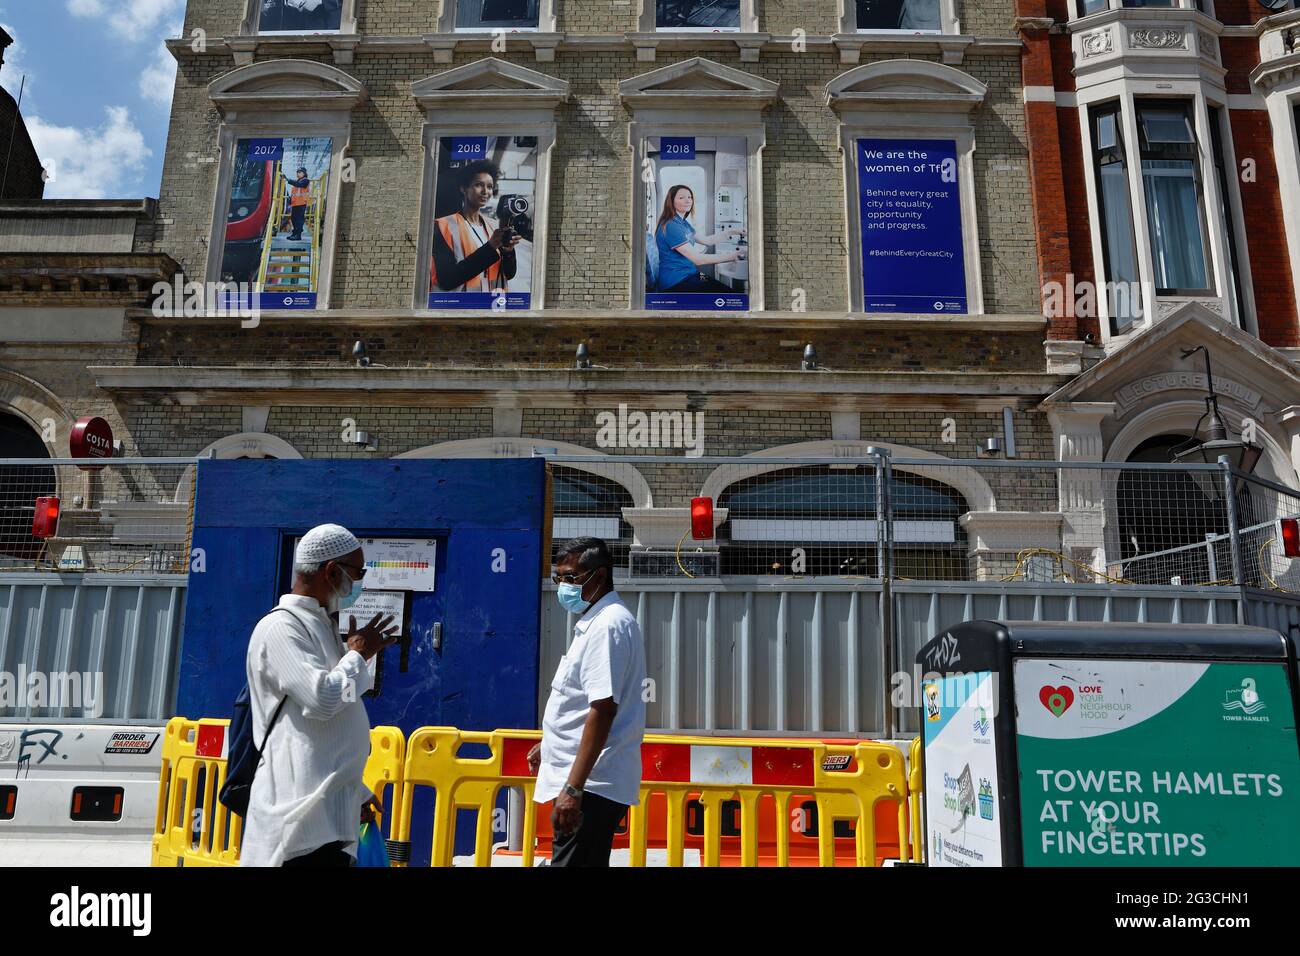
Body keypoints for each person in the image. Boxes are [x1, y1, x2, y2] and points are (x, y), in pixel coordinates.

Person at [240, 523, 398, 867]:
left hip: (327, 822)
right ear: (331, 571)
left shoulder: (322, 625)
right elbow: (322, 698)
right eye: (358, 571)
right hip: (297, 830)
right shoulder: (281, 628)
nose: (359, 581)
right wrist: (357, 655)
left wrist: (353, 792)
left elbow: (321, 734)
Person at [527, 537, 646, 867]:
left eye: (571, 578)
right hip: (586, 783)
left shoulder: (608, 626)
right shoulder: (595, 622)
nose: (564, 586)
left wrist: (574, 789)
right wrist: (551, 744)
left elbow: (603, 709)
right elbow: (582, 702)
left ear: (600, 576)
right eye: (559, 578)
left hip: (590, 786)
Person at [430, 159, 520, 295]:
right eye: (479, 185)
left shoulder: (493, 226)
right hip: (461, 308)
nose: (486, 191)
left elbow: (508, 274)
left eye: (490, 187)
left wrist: (508, 253)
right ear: (463, 188)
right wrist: (491, 246)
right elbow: (447, 279)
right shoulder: (442, 226)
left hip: (493, 305)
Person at [652, 184, 745, 295]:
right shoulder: (671, 225)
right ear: (671, 201)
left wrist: (733, 231)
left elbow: (707, 240)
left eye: (690, 197)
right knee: (729, 294)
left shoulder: (683, 223)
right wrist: (732, 256)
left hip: (692, 274)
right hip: (676, 280)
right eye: (681, 198)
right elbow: (698, 259)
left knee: (718, 285)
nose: (688, 201)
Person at [283, 166, 311, 241]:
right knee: (294, 219)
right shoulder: (298, 181)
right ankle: (294, 234)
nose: (298, 174)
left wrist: (288, 180)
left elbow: (299, 185)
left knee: (299, 219)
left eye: (299, 172)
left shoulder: (305, 181)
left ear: (304, 173)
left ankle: (298, 235)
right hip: (295, 204)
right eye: (297, 172)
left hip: (301, 204)